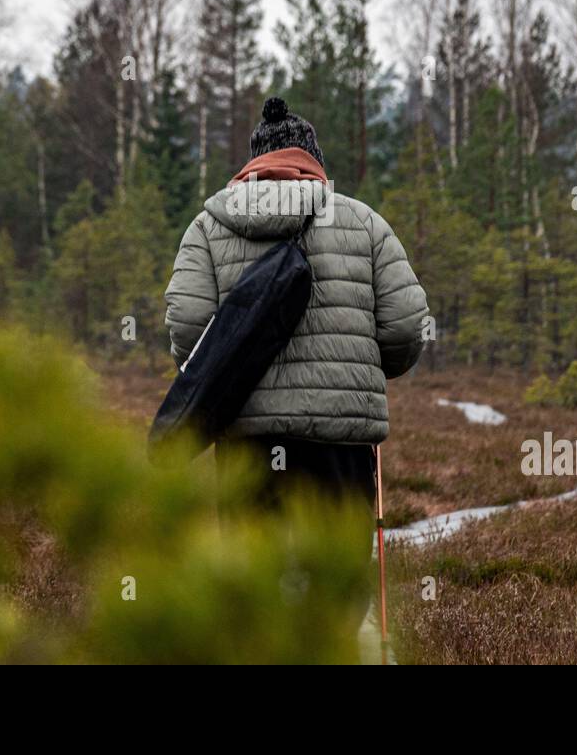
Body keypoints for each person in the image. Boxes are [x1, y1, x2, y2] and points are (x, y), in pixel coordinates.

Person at [163, 96, 429, 534]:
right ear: (314, 162)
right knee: (336, 583)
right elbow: (406, 325)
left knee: (252, 584)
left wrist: (229, 367)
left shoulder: (207, 228)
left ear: (253, 164)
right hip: (341, 442)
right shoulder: (365, 224)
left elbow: (189, 328)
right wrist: (357, 364)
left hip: (246, 443)